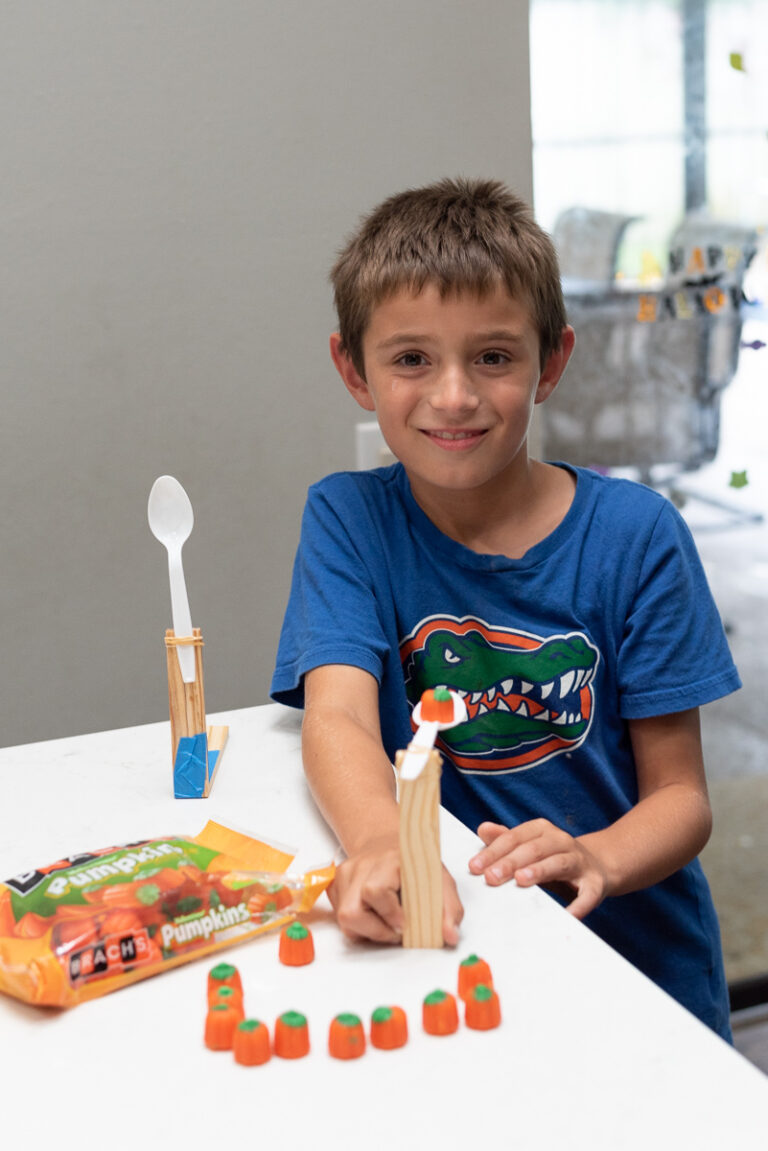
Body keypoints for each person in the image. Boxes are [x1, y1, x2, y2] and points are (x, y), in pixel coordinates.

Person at [271, 177, 740, 1039]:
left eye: (493, 356)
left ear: (551, 362)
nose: (454, 396)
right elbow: (334, 717)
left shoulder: (639, 537)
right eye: (412, 358)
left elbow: (683, 798)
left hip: (639, 976)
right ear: (354, 369)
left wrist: (597, 854)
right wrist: (380, 842)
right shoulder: (349, 519)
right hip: (463, 961)